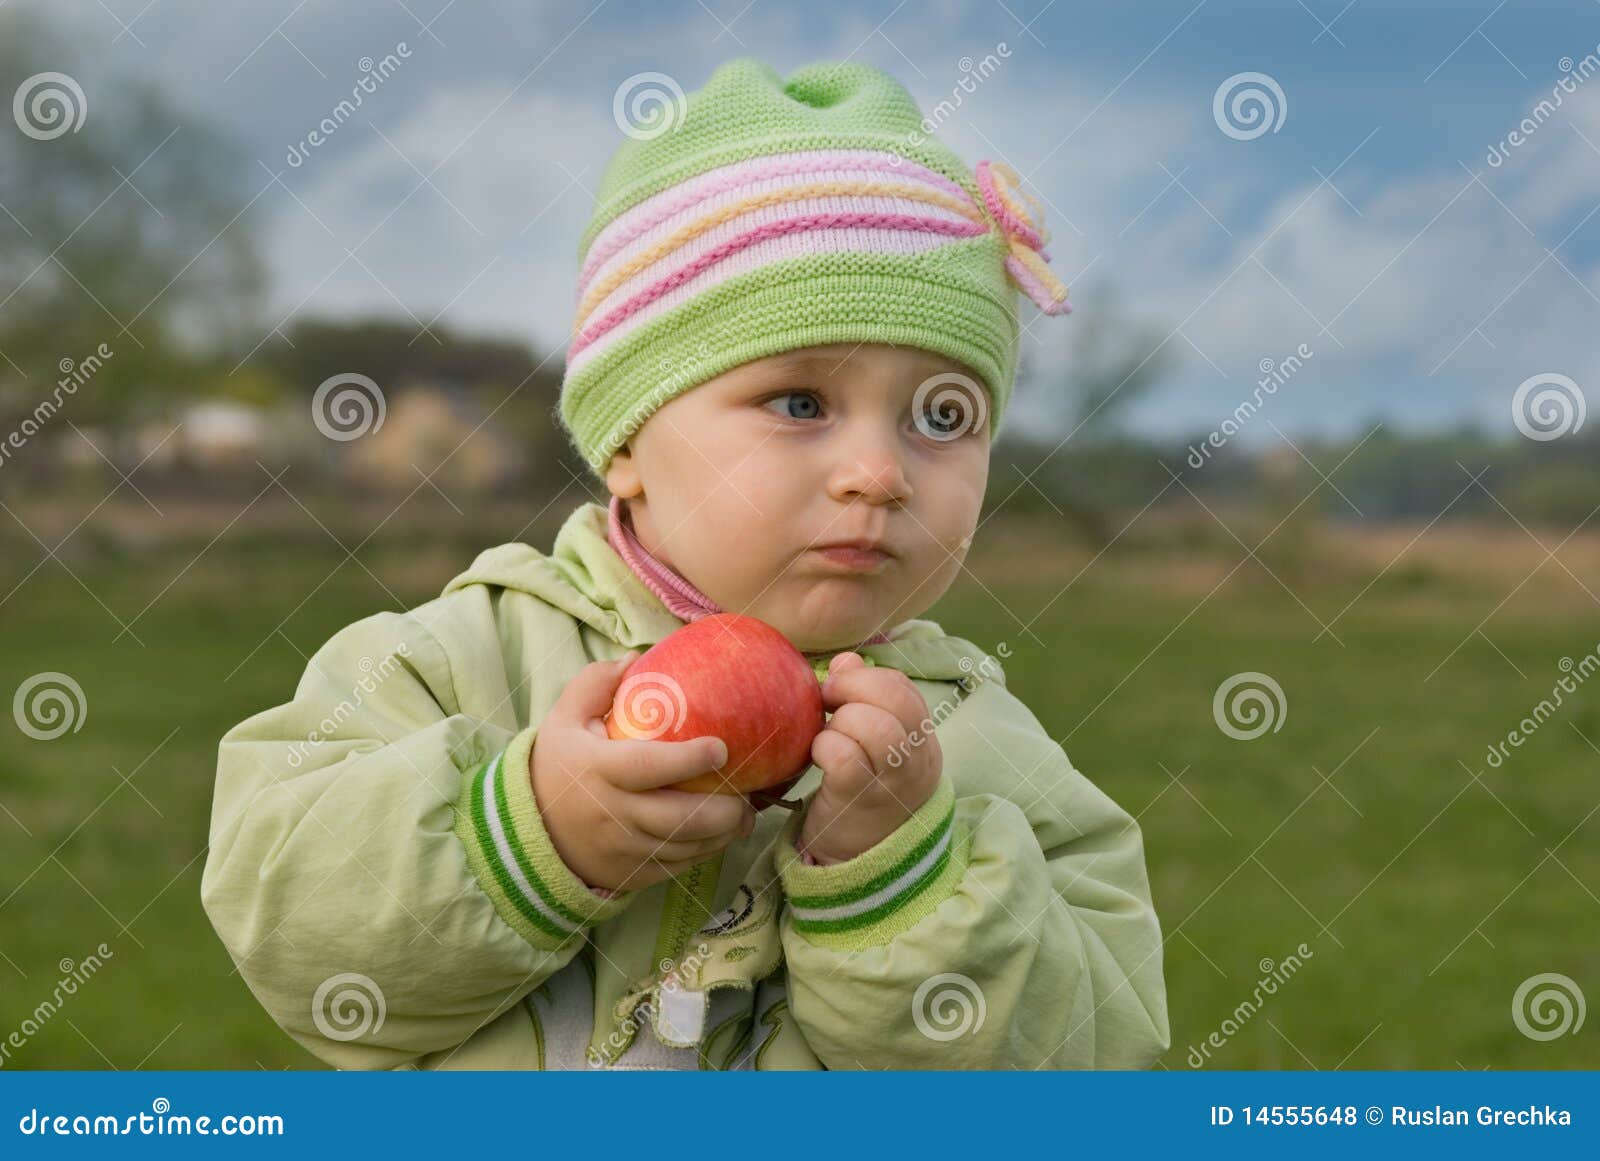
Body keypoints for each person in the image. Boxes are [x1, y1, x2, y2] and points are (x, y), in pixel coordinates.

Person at [200, 57, 1169, 1070]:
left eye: (944, 416)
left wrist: (906, 884)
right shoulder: (461, 659)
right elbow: (292, 934)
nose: (880, 474)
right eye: (801, 402)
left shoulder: (984, 752)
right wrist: (532, 834)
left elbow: (1091, 1067)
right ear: (625, 442)